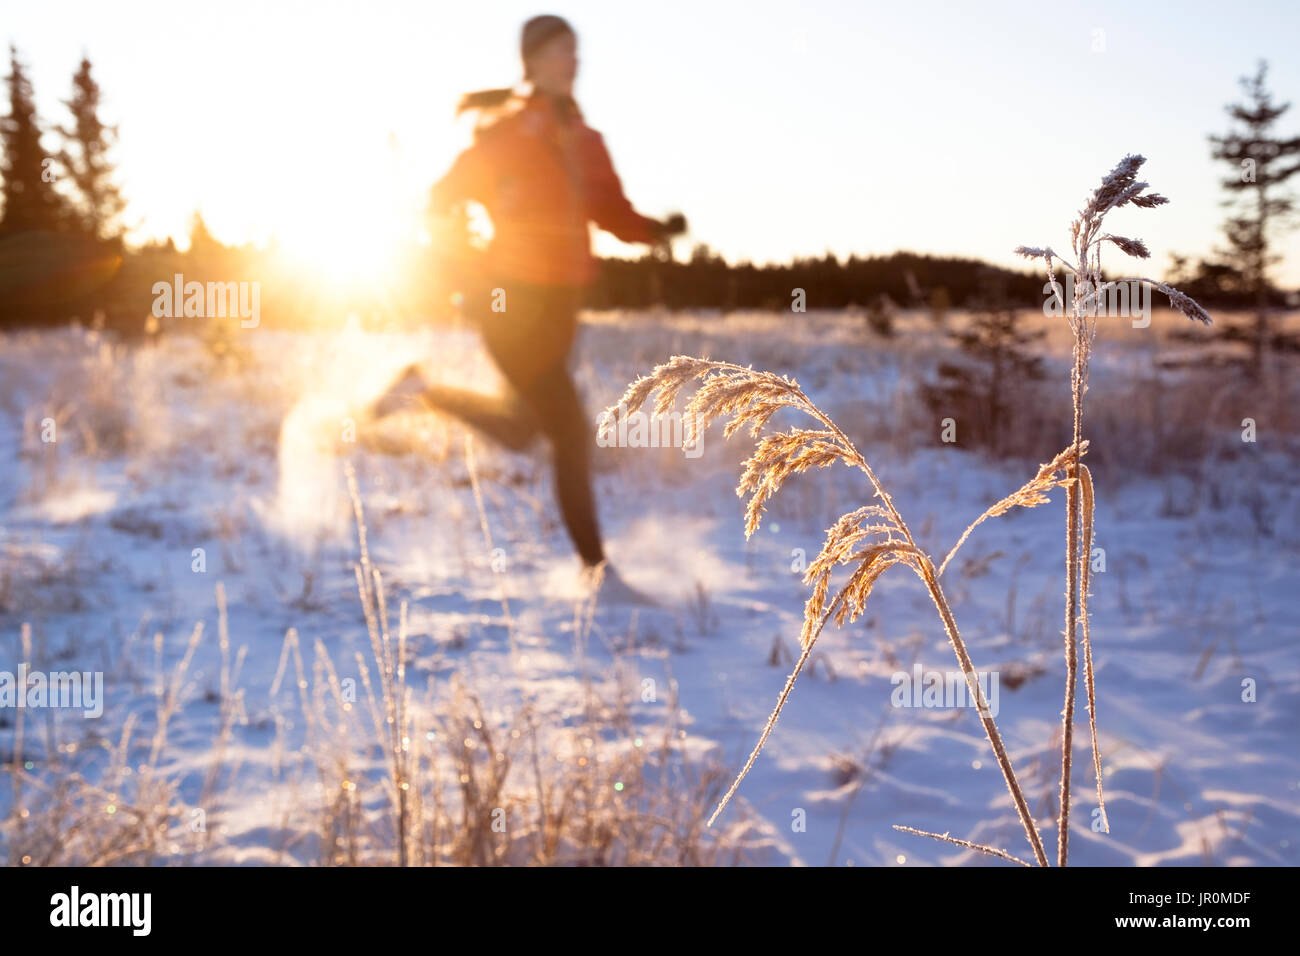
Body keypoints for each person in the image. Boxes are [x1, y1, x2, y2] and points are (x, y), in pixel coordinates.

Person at [372, 14, 686, 597]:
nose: (574, 61)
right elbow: (442, 199)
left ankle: (421, 390)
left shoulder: (588, 142)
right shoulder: (506, 137)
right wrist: (465, 259)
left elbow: (612, 213)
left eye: (576, 51)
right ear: (534, 61)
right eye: (563, 51)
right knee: (569, 432)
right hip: (511, 308)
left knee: (522, 430)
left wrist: (656, 231)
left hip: (562, 311)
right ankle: (597, 573)